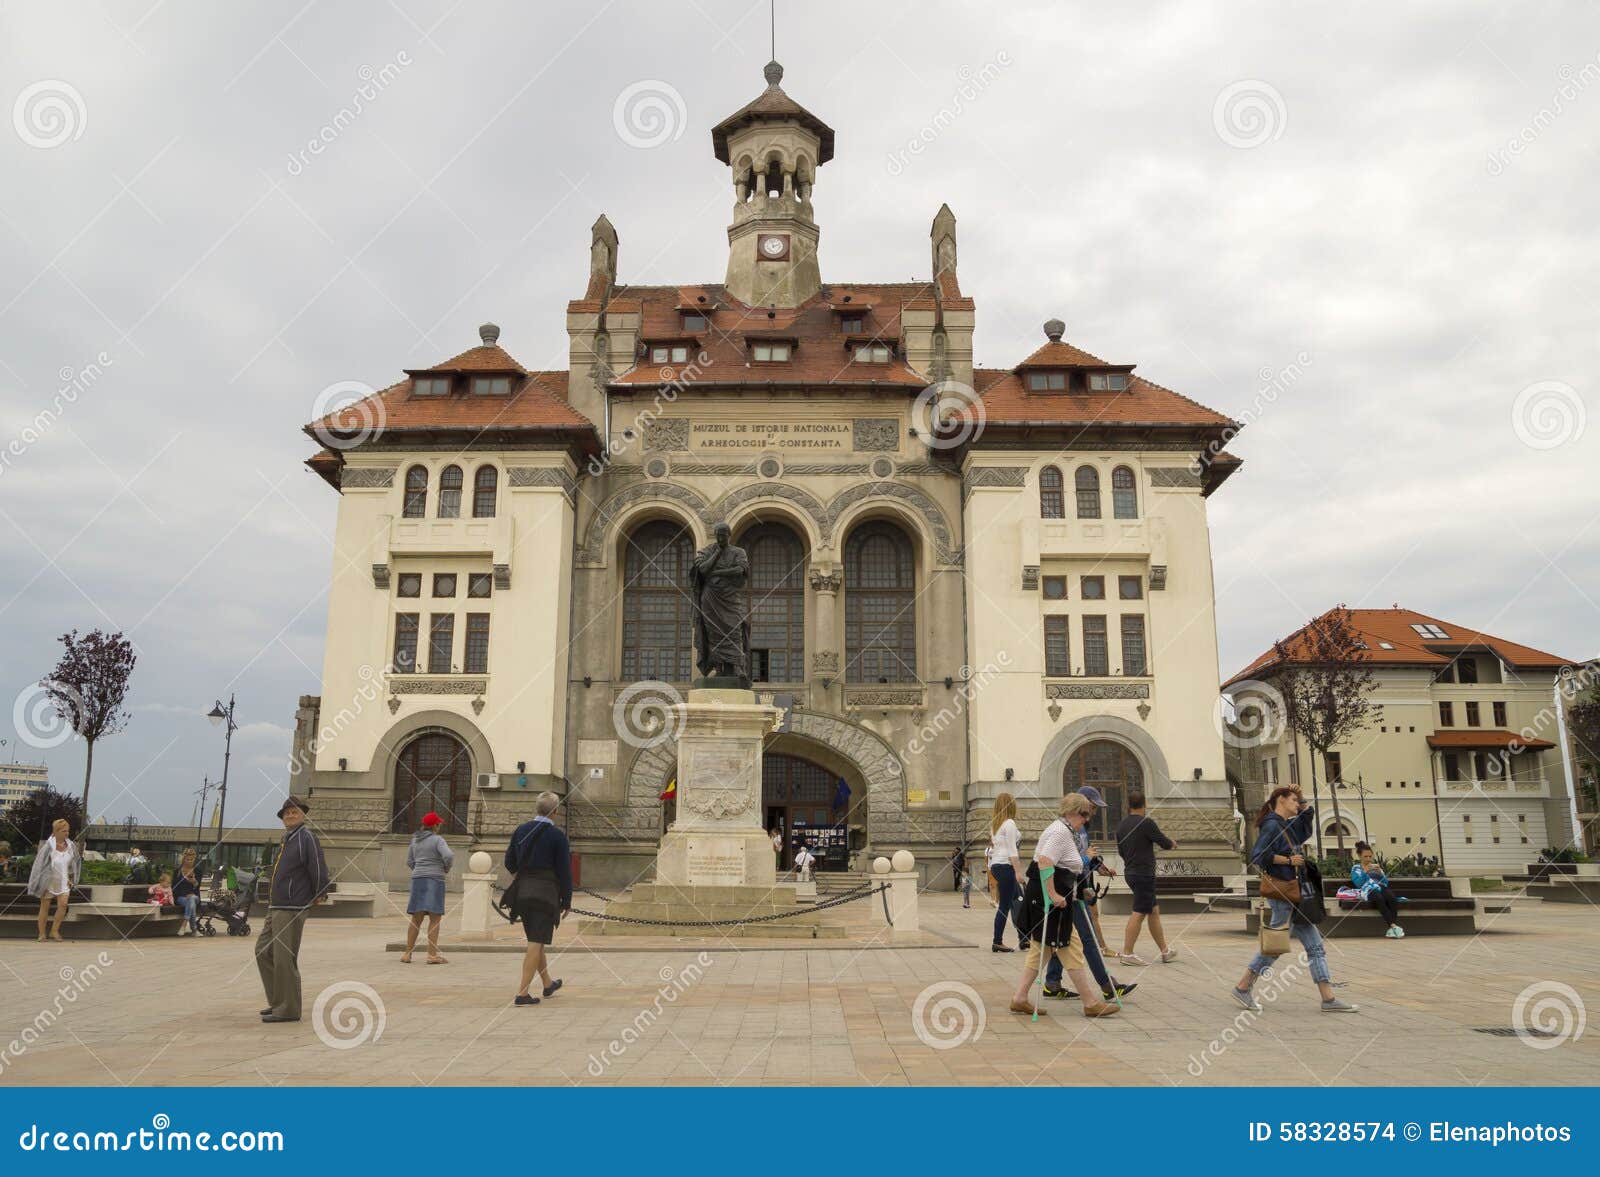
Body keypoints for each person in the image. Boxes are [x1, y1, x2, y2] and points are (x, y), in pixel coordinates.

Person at [1231, 786, 1358, 1014]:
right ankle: (1243, 986)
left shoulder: (1285, 824)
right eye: (1294, 800)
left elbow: (1305, 829)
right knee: (1276, 944)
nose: (1297, 804)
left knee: (1313, 947)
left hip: (1294, 893)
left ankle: (1328, 998)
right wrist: (1289, 861)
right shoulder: (1272, 825)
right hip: (1283, 893)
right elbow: (1258, 856)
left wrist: (1304, 802)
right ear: (1281, 800)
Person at [1010, 793, 1120, 1019]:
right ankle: (1090, 1002)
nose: (1086, 820)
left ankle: (1019, 998)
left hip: (1051, 896)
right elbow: (1044, 861)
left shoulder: (1063, 829)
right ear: (1072, 812)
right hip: (1050, 899)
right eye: (1084, 815)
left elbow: (1058, 863)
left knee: (1042, 949)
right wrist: (1052, 894)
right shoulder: (1061, 832)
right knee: (1070, 946)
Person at [1042, 786, 1133, 1003]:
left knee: (1061, 940)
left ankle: (1051, 983)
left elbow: (1077, 859)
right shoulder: (1064, 830)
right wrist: (1085, 860)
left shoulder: (1079, 828)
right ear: (1079, 806)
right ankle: (1106, 985)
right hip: (1066, 892)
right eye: (1090, 808)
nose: (1091, 813)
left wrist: (1097, 865)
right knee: (1086, 939)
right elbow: (1054, 861)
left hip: (1073, 890)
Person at [256, 795, 331, 1024]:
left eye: (294, 811)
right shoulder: (287, 838)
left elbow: (317, 864)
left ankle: (287, 1009)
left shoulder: (306, 837)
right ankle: (279, 1001)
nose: (289, 815)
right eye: (286, 812)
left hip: (291, 906)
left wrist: (320, 891)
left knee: (283, 957)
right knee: (263, 952)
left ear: (303, 815)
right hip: (277, 905)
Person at [505, 791, 573, 1006]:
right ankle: (522, 993)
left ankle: (547, 983)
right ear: (555, 811)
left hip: (523, 892)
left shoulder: (521, 830)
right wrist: (567, 899)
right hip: (545, 894)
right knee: (536, 942)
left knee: (536, 938)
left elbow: (509, 861)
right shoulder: (557, 836)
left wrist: (523, 876)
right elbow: (564, 870)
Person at [1116, 789, 1179, 965]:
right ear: (1144, 805)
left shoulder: (1121, 826)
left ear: (1128, 806)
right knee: (1140, 911)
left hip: (1131, 872)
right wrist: (1172, 843)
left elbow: (1121, 851)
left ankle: (1165, 951)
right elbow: (1164, 842)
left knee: (1153, 910)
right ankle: (1127, 954)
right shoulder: (1146, 823)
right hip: (1143, 874)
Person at [402, 811, 455, 964]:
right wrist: (445, 868)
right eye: (439, 824)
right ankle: (432, 955)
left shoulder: (415, 840)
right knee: (435, 918)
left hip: (418, 879)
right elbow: (449, 856)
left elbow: (409, 861)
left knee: (416, 918)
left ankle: (407, 954)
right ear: (435, 826)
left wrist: (419, 870)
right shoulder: (438, 840)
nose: (439, 827)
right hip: (435, 879)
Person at [27, 818, 81, 941]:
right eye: (63, 831)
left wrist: (72, 877)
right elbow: (39, 864)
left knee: (63, 905)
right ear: (55, 831)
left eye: (67, 831)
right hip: (48, 881)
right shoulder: (48, 846)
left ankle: (54, 931)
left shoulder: (71, 846)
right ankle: (41, 933)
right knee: (44, 907)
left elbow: (75, 863)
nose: (66, 833)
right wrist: (39, 881)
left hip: (63, 882)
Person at [988, 792, 1025, 953]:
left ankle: (1024, 938)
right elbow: (1012, 850)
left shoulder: (995, 825)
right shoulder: (1009, 823)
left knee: (1016, 901)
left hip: (996, 865)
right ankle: (997, 941)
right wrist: (1018, 872)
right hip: (1006, 866)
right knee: (1005, 905)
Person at [1351, 842, 1405, 938]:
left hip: (1380, 887)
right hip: (1367, 889)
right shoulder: (1356, 868)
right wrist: (1366, 871)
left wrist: (1380, 873)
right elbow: (1359, 883)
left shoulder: (1375, 866)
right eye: (1365, 856)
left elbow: (1385, 883)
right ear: (1359, 856)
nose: (1368, 859)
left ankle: (1392, 928)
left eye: (1370, 856)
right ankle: (1393, 926)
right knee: (1378, 897)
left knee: (1391, 898)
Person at [173, 848, 203, 936]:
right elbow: (174, 888)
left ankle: (184, 924)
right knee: (191, 901)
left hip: (195, 896)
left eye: (192, 859)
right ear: (183, 859)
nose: (189, 861)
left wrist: (194, 882)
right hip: (181, 897)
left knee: (193, 898)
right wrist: (185, 895)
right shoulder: (177, 871)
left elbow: (197, 888)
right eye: (187, 859)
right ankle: (194, 929)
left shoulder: (198, 871)